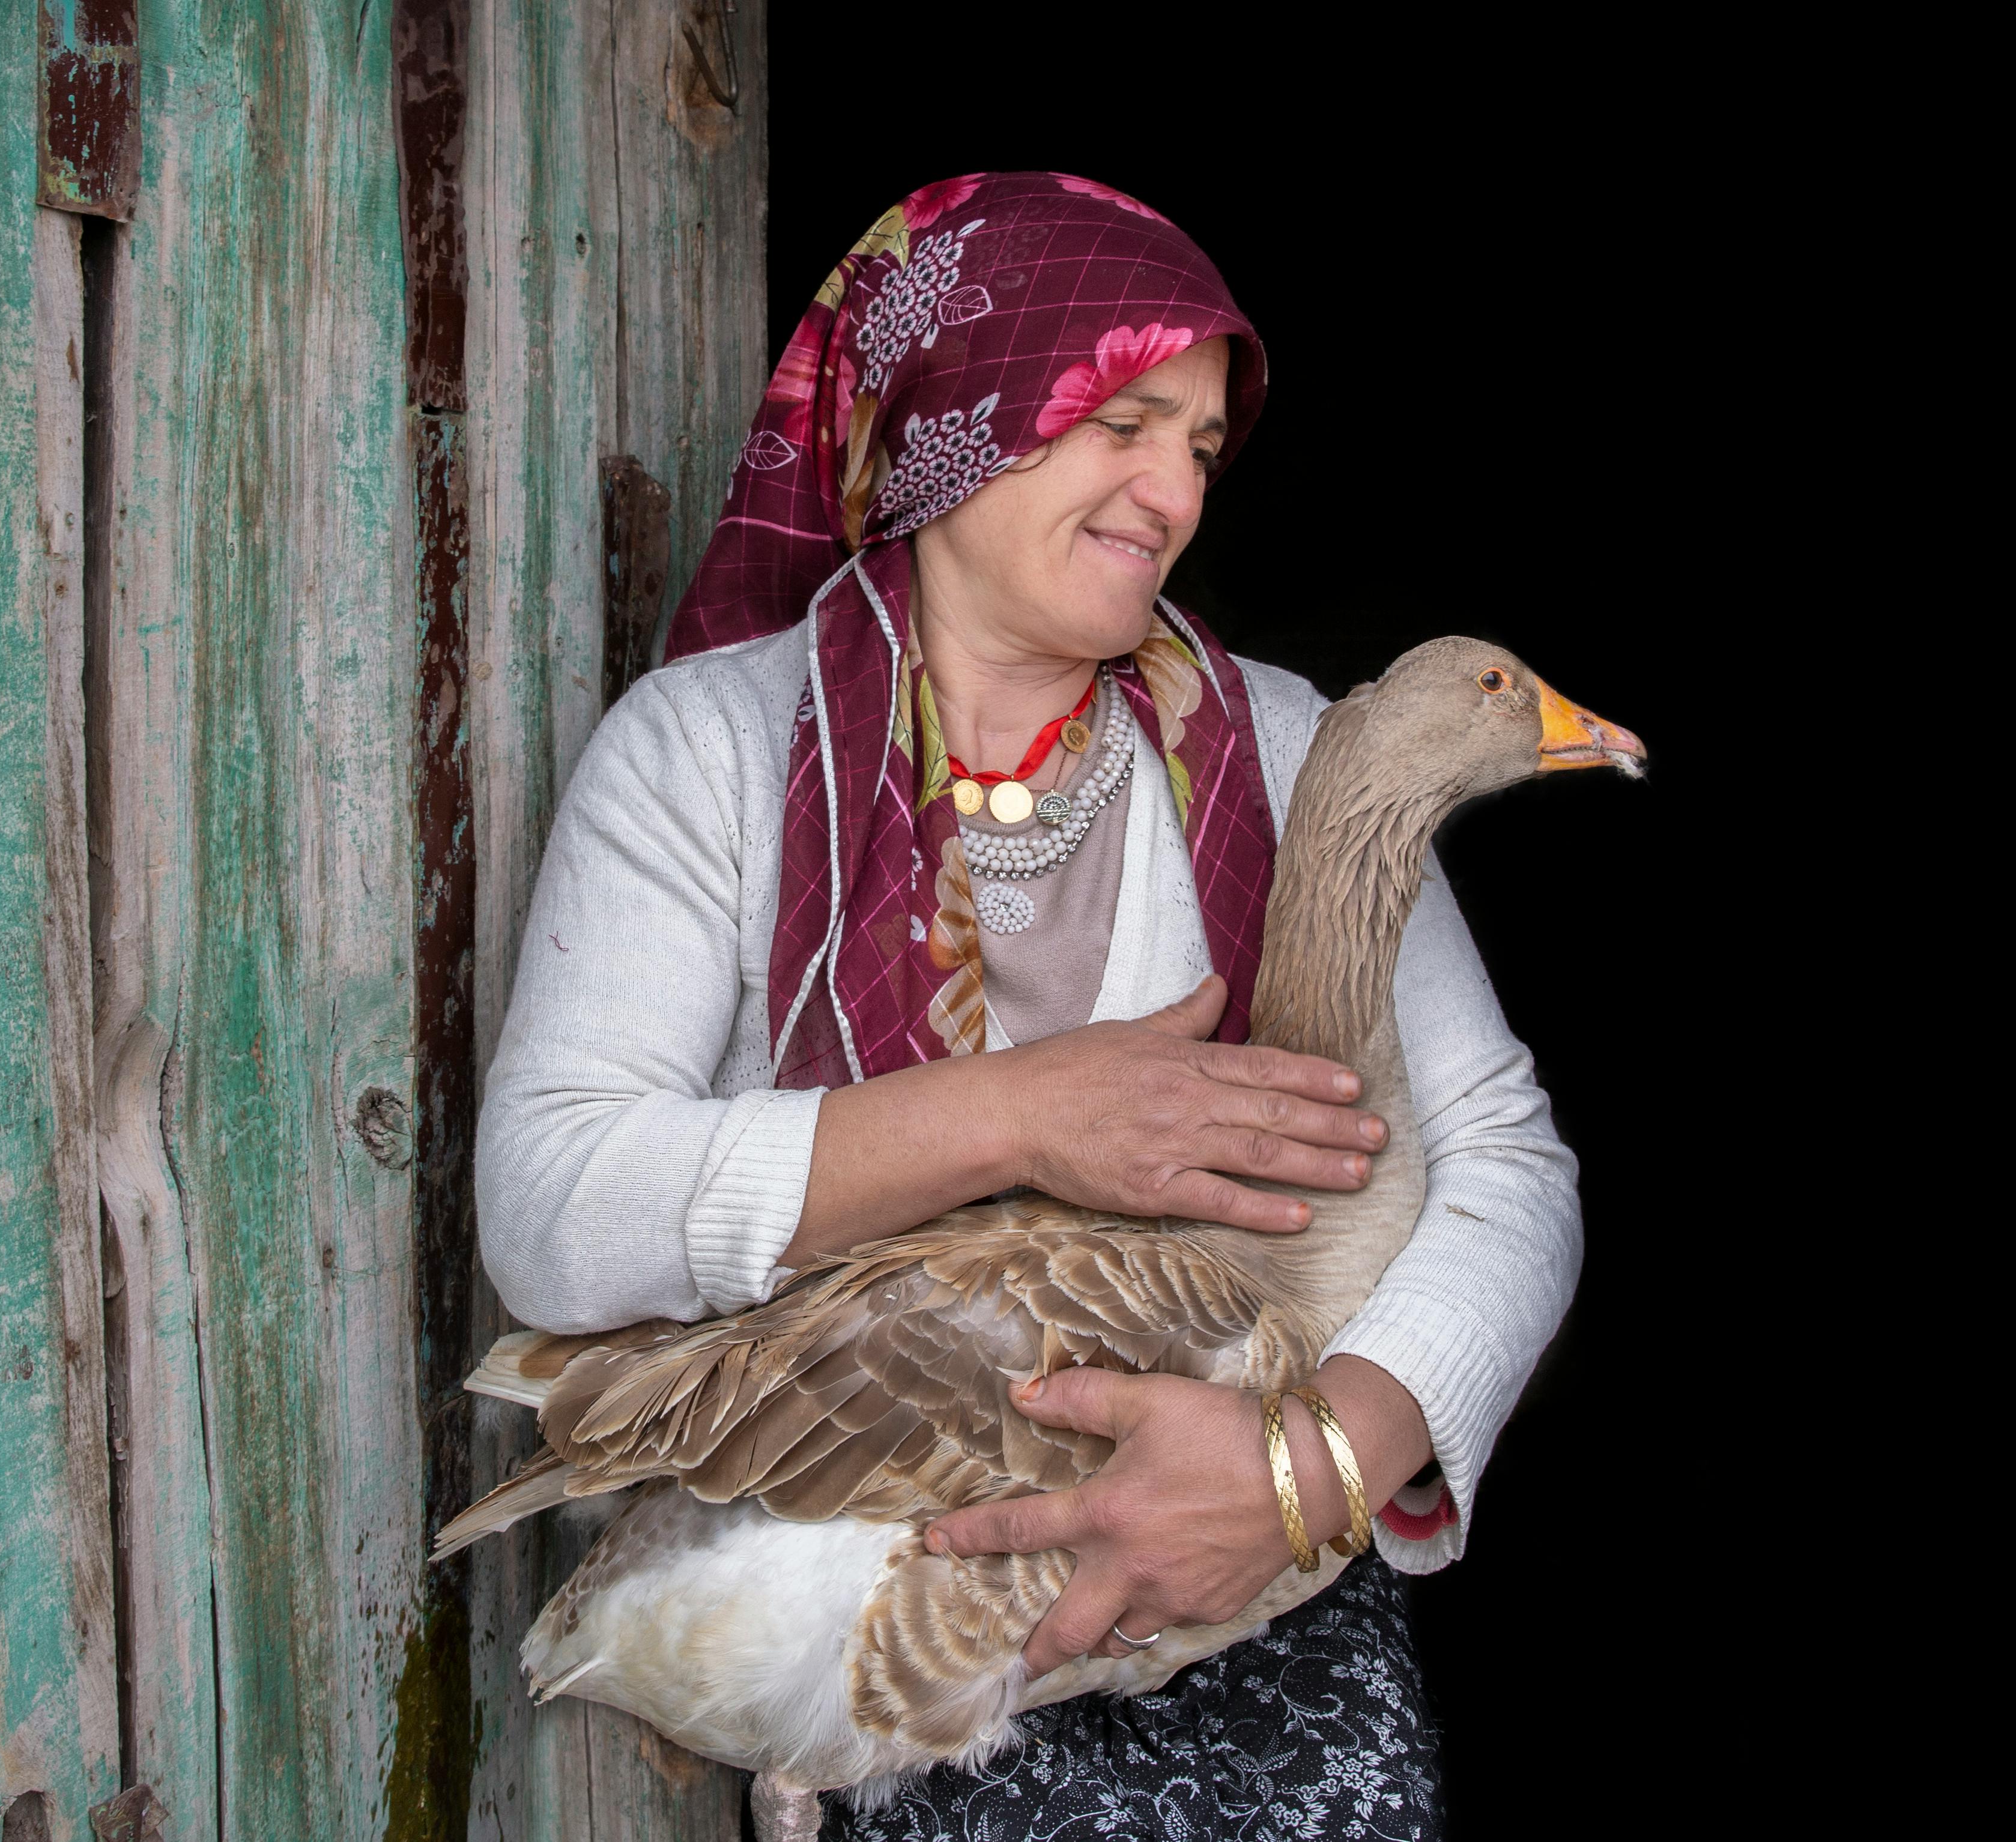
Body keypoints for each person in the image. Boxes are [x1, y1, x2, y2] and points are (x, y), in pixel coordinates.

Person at [478, 171, 1581, 1838]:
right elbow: (554, 1209)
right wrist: (1017, 1115)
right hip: (866, 1580)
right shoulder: (705, 752)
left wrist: (1305, 1472)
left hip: (1243, 1568)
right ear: (960, 414)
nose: (1174, 492)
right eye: (1122, 423)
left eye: (1199, 445)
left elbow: (1509, 1168)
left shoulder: (1295, 750)